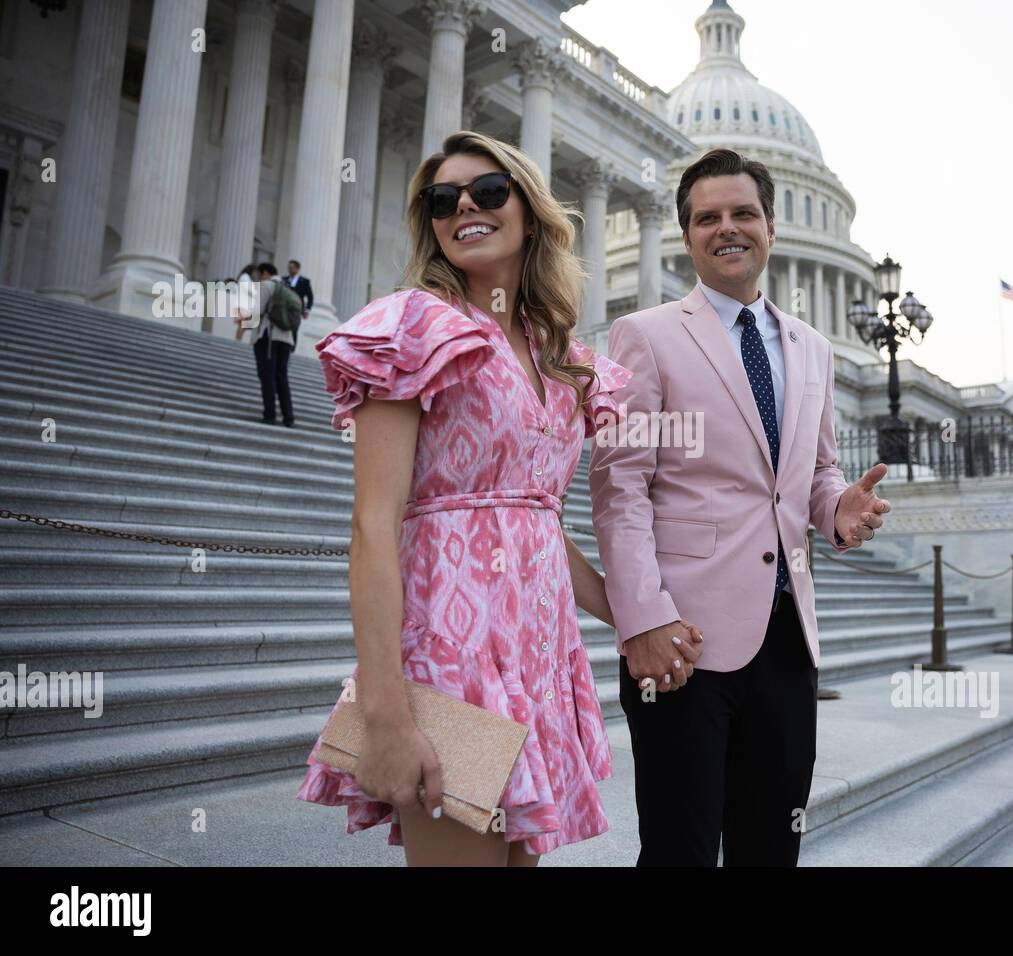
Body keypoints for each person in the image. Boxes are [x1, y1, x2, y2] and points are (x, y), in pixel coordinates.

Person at [295, 130, 704, 867]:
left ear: (528, 210)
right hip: (449, 651)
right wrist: (385, 709)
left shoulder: (558, 353)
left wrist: (637, 615)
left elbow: (536, 518)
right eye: (442, 200)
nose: (464, 209)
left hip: (540, 651)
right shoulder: (411, 326)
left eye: (487, 191)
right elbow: (372, 524)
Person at [588, 148, 893, 866]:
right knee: (678, 850)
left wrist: (836, 507)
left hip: (788, 644)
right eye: (708, 218)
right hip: (683, 640)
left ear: (771, 227)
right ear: (687, 236)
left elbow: (811, 476)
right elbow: (619, 491)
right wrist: (642, 622)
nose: (728, 229)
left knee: (771, 851)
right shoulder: (649, 336)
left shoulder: (812, 349)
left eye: (743, 213)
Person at [237, 261, 296, 427]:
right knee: (282, 378)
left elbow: (257, 312)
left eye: (258, 274)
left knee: (267, 376)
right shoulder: (286, 288)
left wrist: (244, 329)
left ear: (264, 273)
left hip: (268, 337)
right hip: (286, 339)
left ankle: (270, 414)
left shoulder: (266, 286)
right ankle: (288, 417)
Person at [284, 259, 313, 349]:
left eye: (291, 268)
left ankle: (292, 348)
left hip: (297, 308)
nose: (289, 269)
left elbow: (310, 296)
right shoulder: (284, 280)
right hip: (284, 308)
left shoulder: (304, 281)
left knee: (294, 328)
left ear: (297, 269)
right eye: (288, 268)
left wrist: (307, 310)